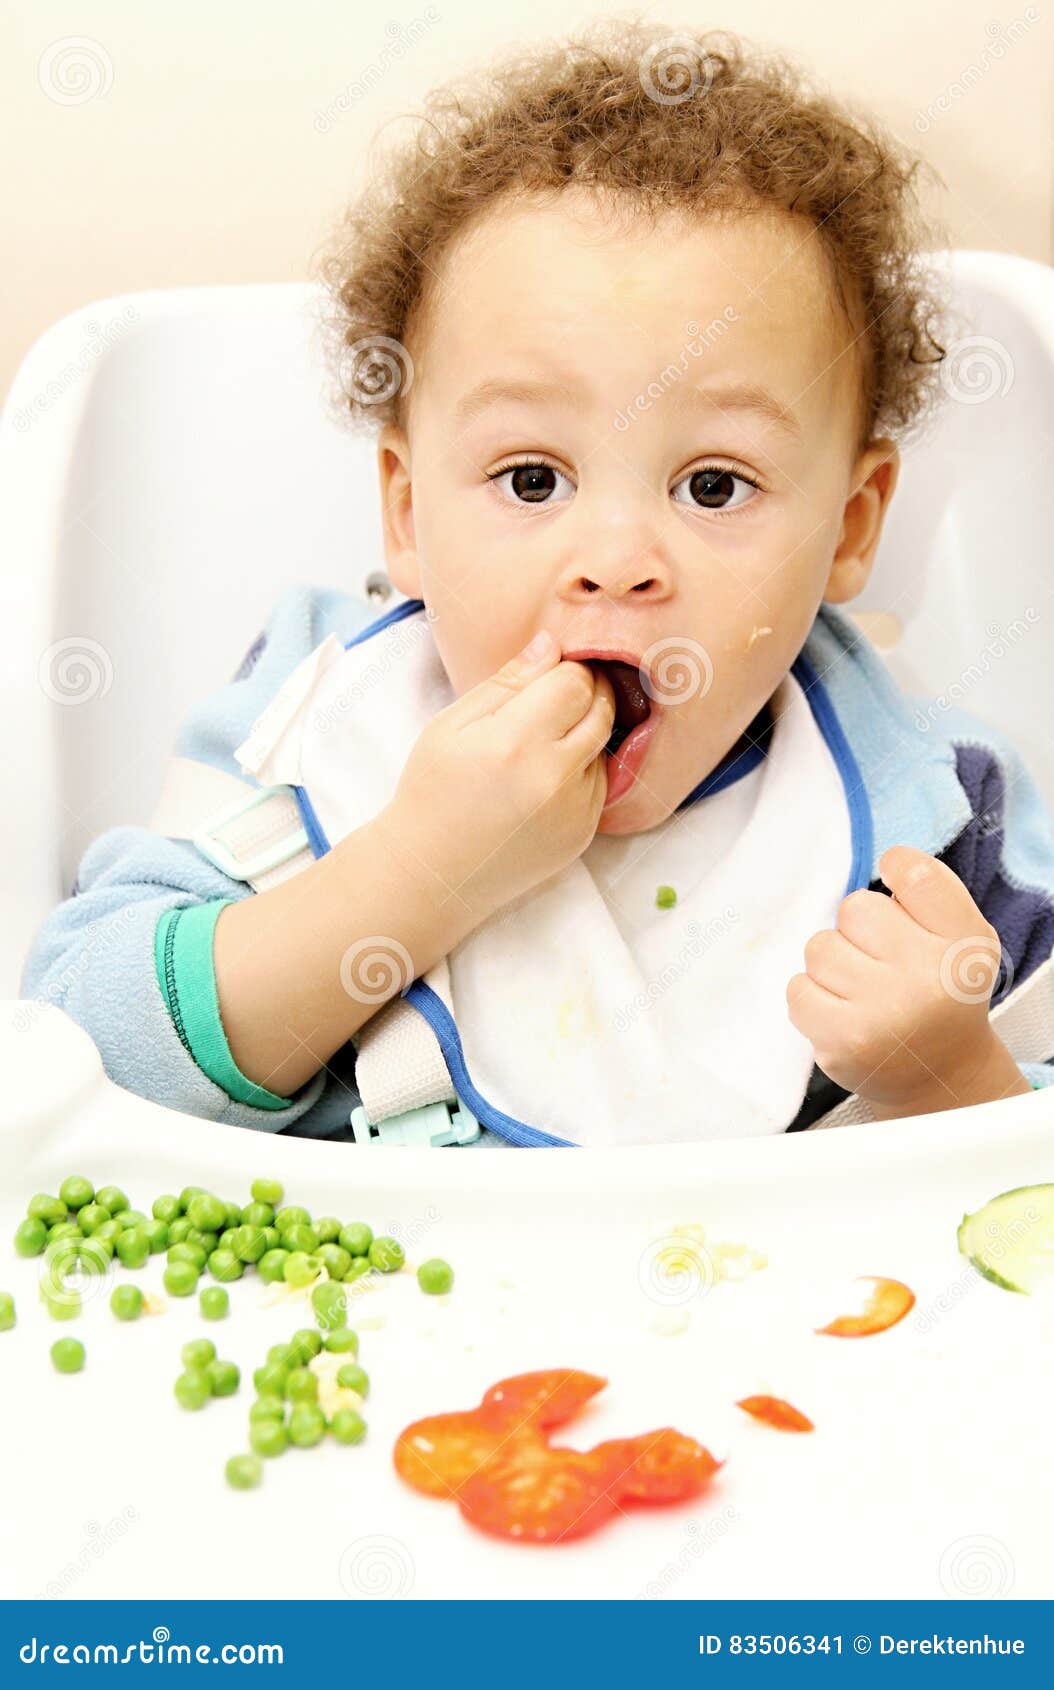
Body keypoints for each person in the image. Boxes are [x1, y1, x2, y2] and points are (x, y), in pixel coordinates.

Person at [20, 22, 1054, 1145]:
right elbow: (77, 1043)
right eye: (529, 476)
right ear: (408, 513)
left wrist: (954, 1078)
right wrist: (412, 875)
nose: (614, 557)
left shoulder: (934, 814)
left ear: (850, 527)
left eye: (713, 486)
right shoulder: (315, 715)